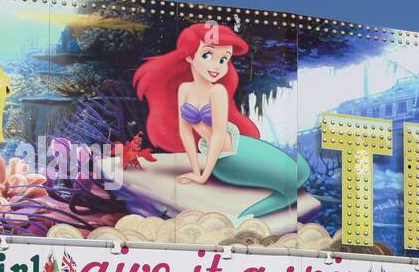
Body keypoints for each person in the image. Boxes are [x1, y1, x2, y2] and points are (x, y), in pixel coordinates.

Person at [132, 22, 309, 218]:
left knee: (291, 179)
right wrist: (196, 169)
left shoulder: (218, 91)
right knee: (289, 179)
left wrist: (202, 176)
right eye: (207, 55)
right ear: (189, 56)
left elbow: (218, 132)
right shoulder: (185, 89)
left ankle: (278, 195)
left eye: (224, 59)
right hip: (226, 163)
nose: (216, 65)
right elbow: (185, 131)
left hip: (238, 150)